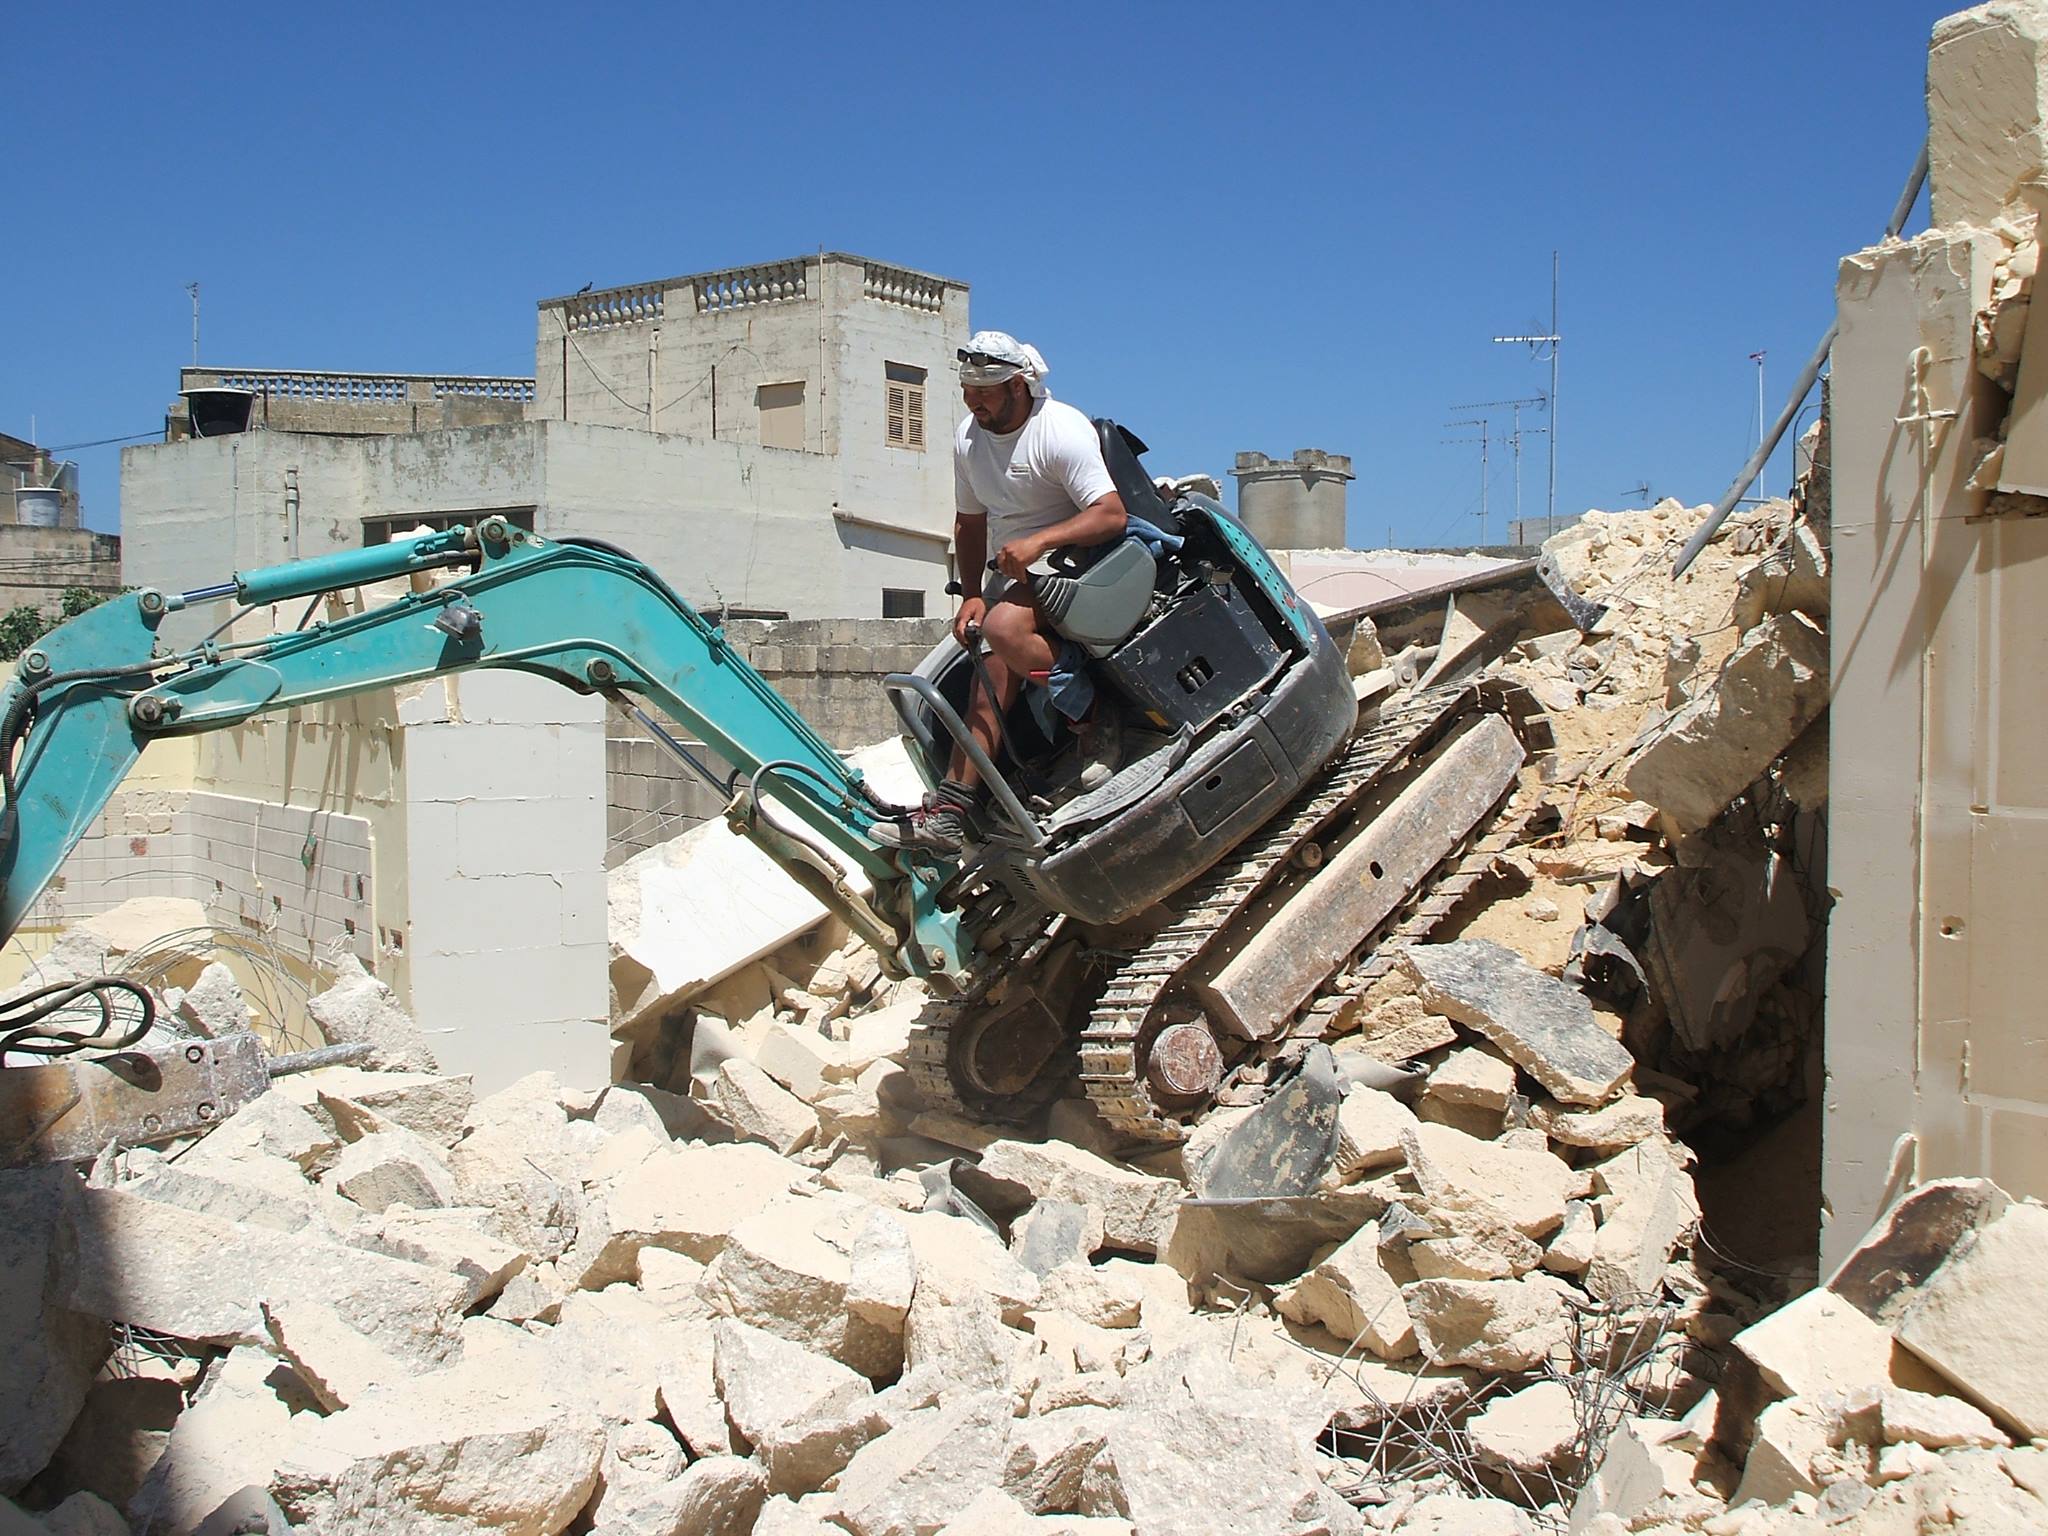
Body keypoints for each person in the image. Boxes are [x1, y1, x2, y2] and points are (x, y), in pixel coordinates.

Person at [873, 331, 1127, 853]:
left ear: (1017, 386)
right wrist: (969, 593)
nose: (974, 403)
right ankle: (951, 811)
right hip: (1016, 572)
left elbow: (1110, 514)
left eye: (984, 393)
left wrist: (1038, 543)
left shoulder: (1059, 430)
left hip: (1081, 561)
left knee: (1004, 628)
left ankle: (1094, 716)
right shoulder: (969, 439)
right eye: (968, 391)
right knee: (986, 679)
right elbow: (970, 523)